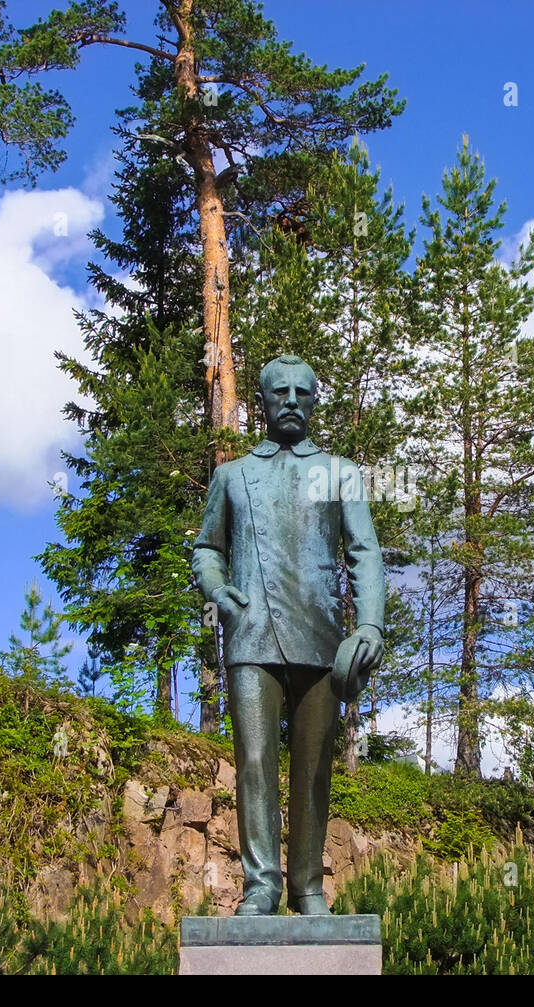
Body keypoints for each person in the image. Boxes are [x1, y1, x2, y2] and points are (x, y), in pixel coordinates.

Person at [191, 355, 385, 915]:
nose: (293, 400)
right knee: (254, 761)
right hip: (249, 635)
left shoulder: (339, 471)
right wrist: (218, 591)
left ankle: (307, 887)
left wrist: (369, 623)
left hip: (322, 641)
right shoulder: (231, 475)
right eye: (282, 392)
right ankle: (260, 886)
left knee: (314, 767)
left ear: (315, 400)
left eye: (304, 391)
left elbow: (364, 552)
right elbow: (207, 546)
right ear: (263, 402)